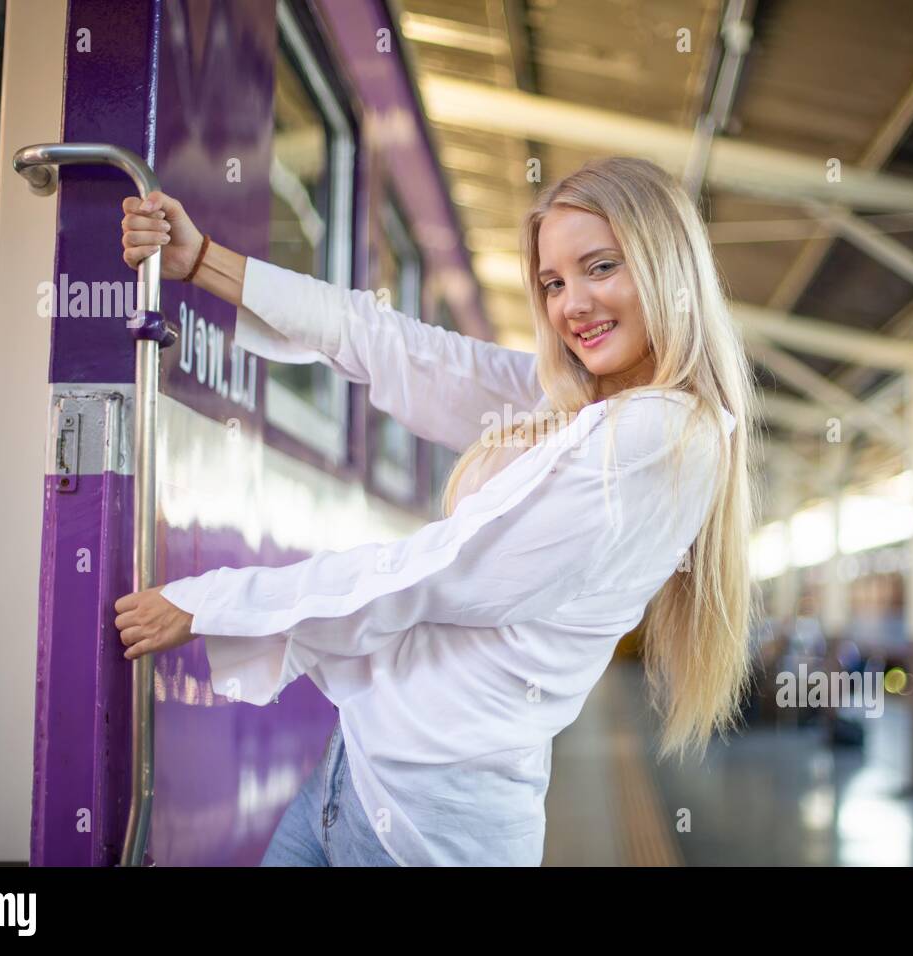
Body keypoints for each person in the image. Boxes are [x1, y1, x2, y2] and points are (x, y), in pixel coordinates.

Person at [112, 156, 763, 866]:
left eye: (601, 267)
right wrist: (204, 261)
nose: (572, 304)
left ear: (668, 268)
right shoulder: (580, 405)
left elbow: (444, 572)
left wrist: (216, 603)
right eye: (553, 282)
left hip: (429, 833)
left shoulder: (664, 436)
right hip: (354, 776)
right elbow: (404, 350)